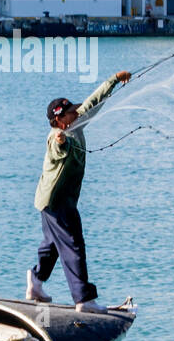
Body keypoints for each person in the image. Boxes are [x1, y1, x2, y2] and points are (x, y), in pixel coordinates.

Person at [29, 70, 132, 313]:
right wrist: (61, 142)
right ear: (61, 120)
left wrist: (114, 80)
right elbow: (56, 149)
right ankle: (83, 300)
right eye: (71, 113)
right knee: (73, 245)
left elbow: (93, 101)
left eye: (75, 110)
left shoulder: (77, 122)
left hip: (50, 201)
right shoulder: (58, 136)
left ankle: (35, 282)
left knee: (53, 244)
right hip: (56, 202)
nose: (77, 113)